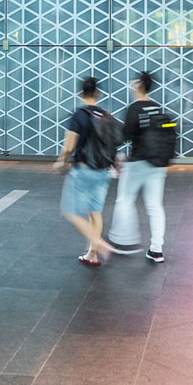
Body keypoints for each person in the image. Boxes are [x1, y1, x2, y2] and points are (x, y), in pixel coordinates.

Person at [106, 71, 174, 263]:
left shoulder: (135, 108)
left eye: (134, 82)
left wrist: (115, 154)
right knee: (155, 205)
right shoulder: (156, 108)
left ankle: (121, 240)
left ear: (139, 85)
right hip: (158, 163)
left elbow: (124, 135)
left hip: (139, 162)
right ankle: (156, 249)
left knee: (125, 199)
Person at [56, 77, 116, 267]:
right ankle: (92, 254)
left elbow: (69, 145)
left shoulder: (79, 115)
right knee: (95, 212)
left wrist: (61, 160)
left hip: (84, 170)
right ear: (97, 93)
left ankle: (100, 244)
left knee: (71, 211)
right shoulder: (105, 115)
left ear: (81, 93)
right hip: (103, 171)